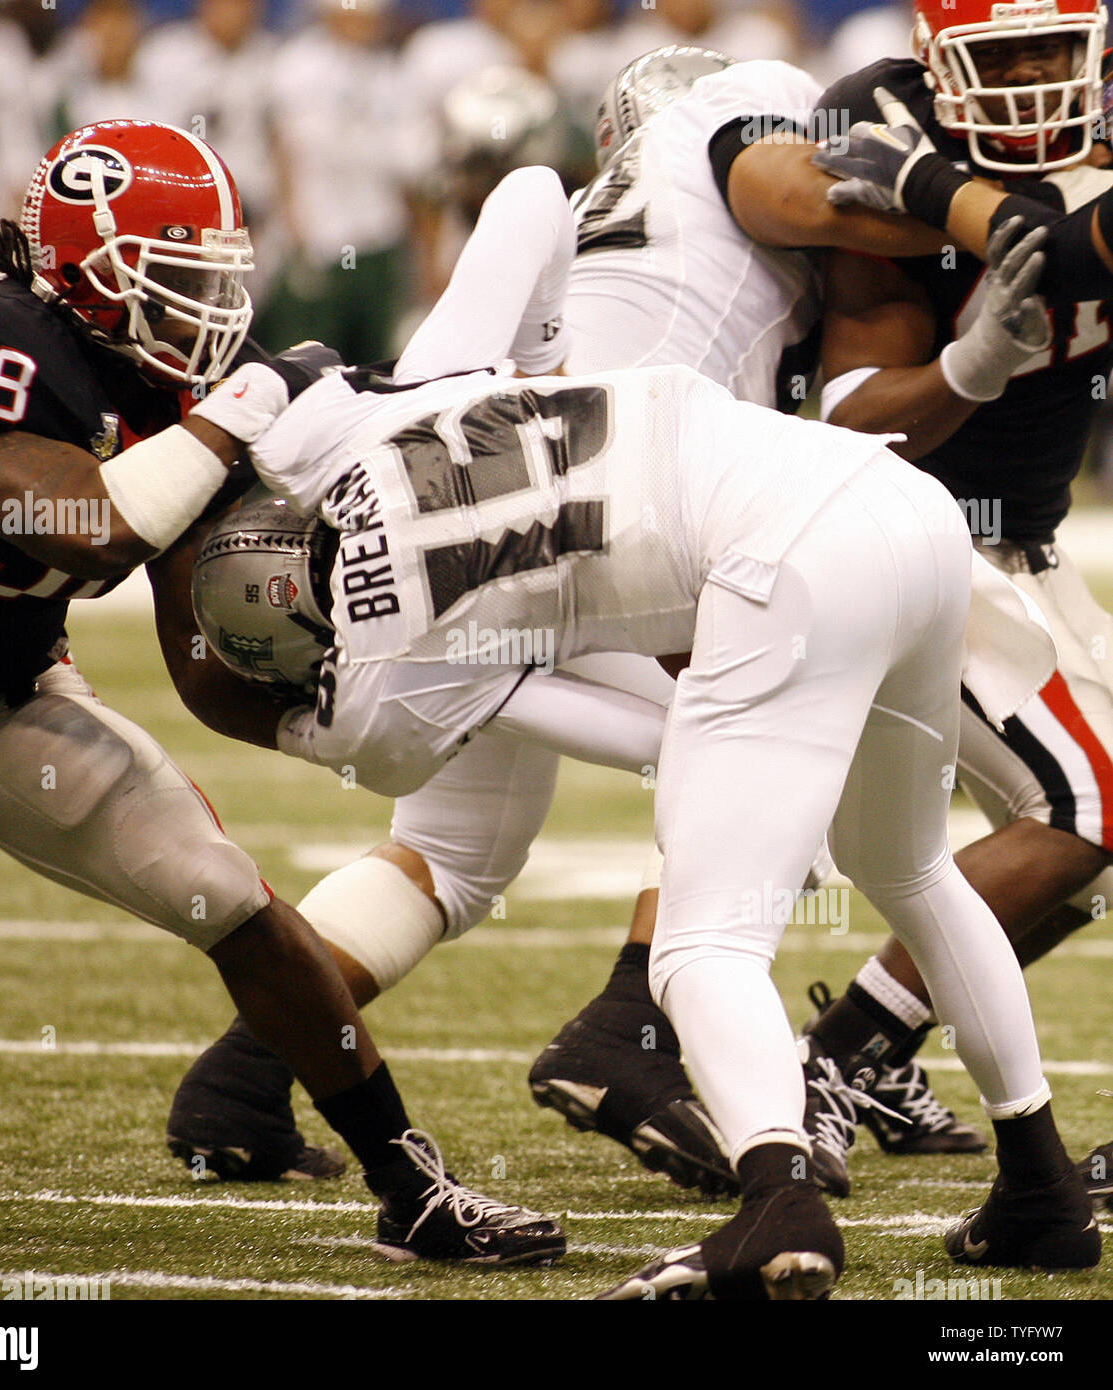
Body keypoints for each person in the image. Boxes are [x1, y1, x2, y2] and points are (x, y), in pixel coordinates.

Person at [153, 210, 1099, 1296]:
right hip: (891, 504)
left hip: (780, 563)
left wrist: (284, 713)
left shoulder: (382, 682)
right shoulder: (414, 388)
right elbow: (523, 200)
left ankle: (776, 1204)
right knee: (914, 869)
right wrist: (528, 364)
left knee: (699, 946)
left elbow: (628, 732)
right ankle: (1038, 1184)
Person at [0, 118, 565, 1269]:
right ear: (86, 270)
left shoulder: (179, 394)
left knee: (235, 904)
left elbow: (188, 647)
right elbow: (78, 524)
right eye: (174, 272)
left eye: (215, 271)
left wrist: (320, 726)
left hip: (9, 704)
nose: (205, 302)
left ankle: (408, 1185)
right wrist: (235, 412)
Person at [779, 0, 1113, 1198]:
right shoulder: (880, 120)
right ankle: (825, 1061)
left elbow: (1067, 251)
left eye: (1050, 52)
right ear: (937, 66)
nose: (1029, 79)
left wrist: (952, 198)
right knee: (1084, 803)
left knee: (1095, 842)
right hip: (907, 537)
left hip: (1028, 545)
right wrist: (965, 372)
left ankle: (867, 1048)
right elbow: (848, 417)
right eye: (999, 55)